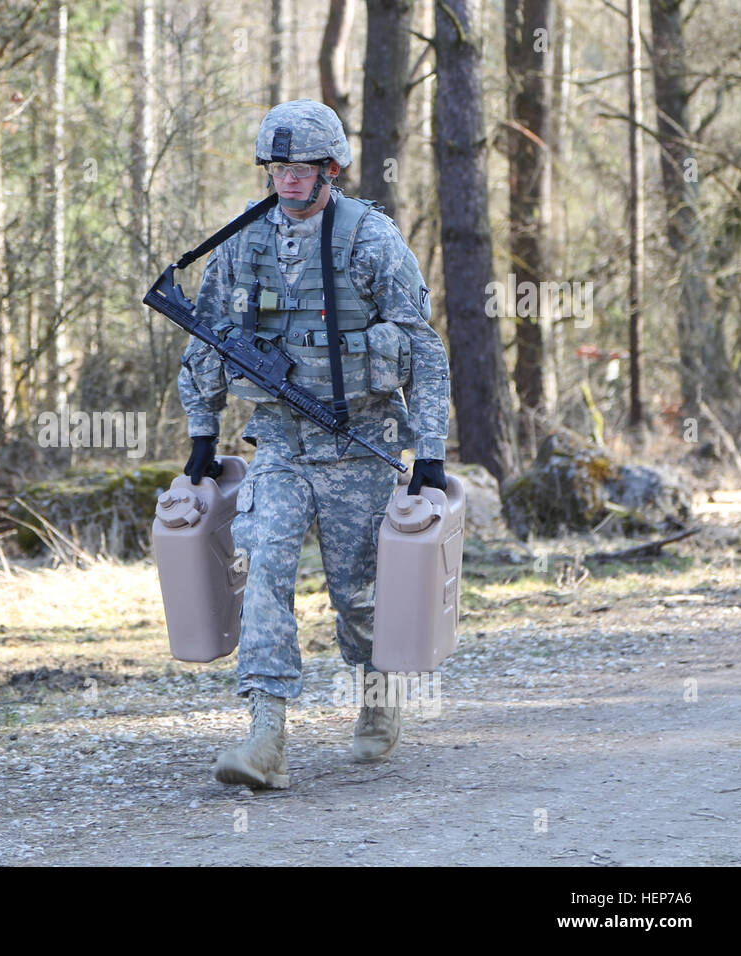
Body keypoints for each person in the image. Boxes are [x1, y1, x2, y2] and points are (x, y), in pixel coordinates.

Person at [176, 99, 451, 789]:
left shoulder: (371, 238)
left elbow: (422, 346)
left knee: (357, 593)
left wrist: (432, 449)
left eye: (300, 169)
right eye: (276, 168)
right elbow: (207, 335)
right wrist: (202, 435)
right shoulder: (243, 240)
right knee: (263, 569)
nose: (287, 180)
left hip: (361, 441)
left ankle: (379, 695)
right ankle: (265, 734)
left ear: (331, 169)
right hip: (282, 441)